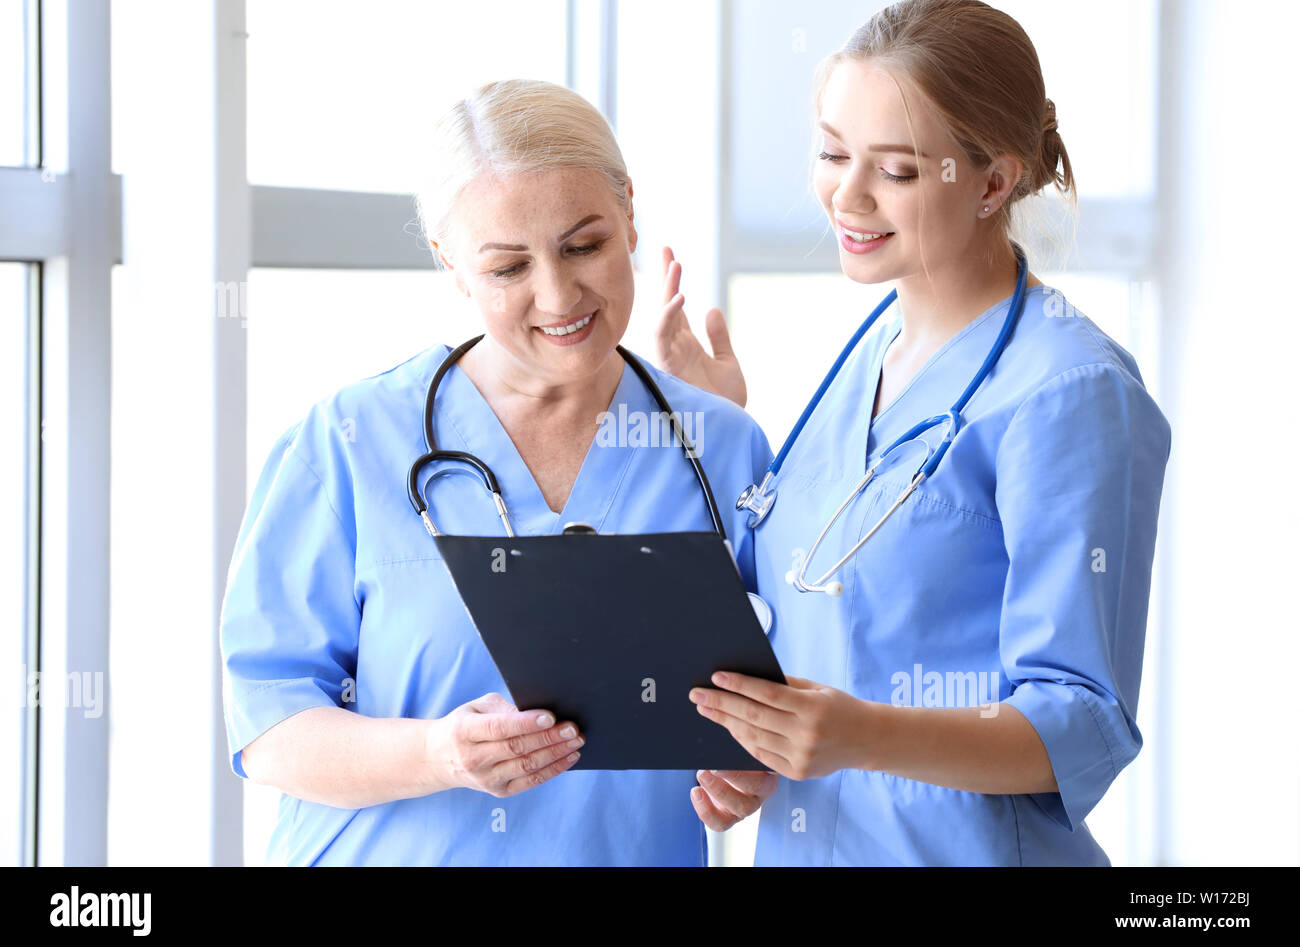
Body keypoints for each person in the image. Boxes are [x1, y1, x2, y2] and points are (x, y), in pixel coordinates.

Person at [657, 0, 1172, 865]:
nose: (845, 196)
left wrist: (862, 736)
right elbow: (797, 608)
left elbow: (1083, 719)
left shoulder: (1070, 392)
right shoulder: (869, 358)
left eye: (894, 170)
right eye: (830, 153)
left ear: (993, 182)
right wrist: (721, 432)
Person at [219, 79, 776, 866]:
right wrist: (438, 755)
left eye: (585, 245)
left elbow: (786, 697)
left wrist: (752, 773)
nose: (559, 295)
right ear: (450, 261)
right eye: (509, 267)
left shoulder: (717, 446)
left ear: (628, 211)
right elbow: (270, 730)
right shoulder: (348, 442)